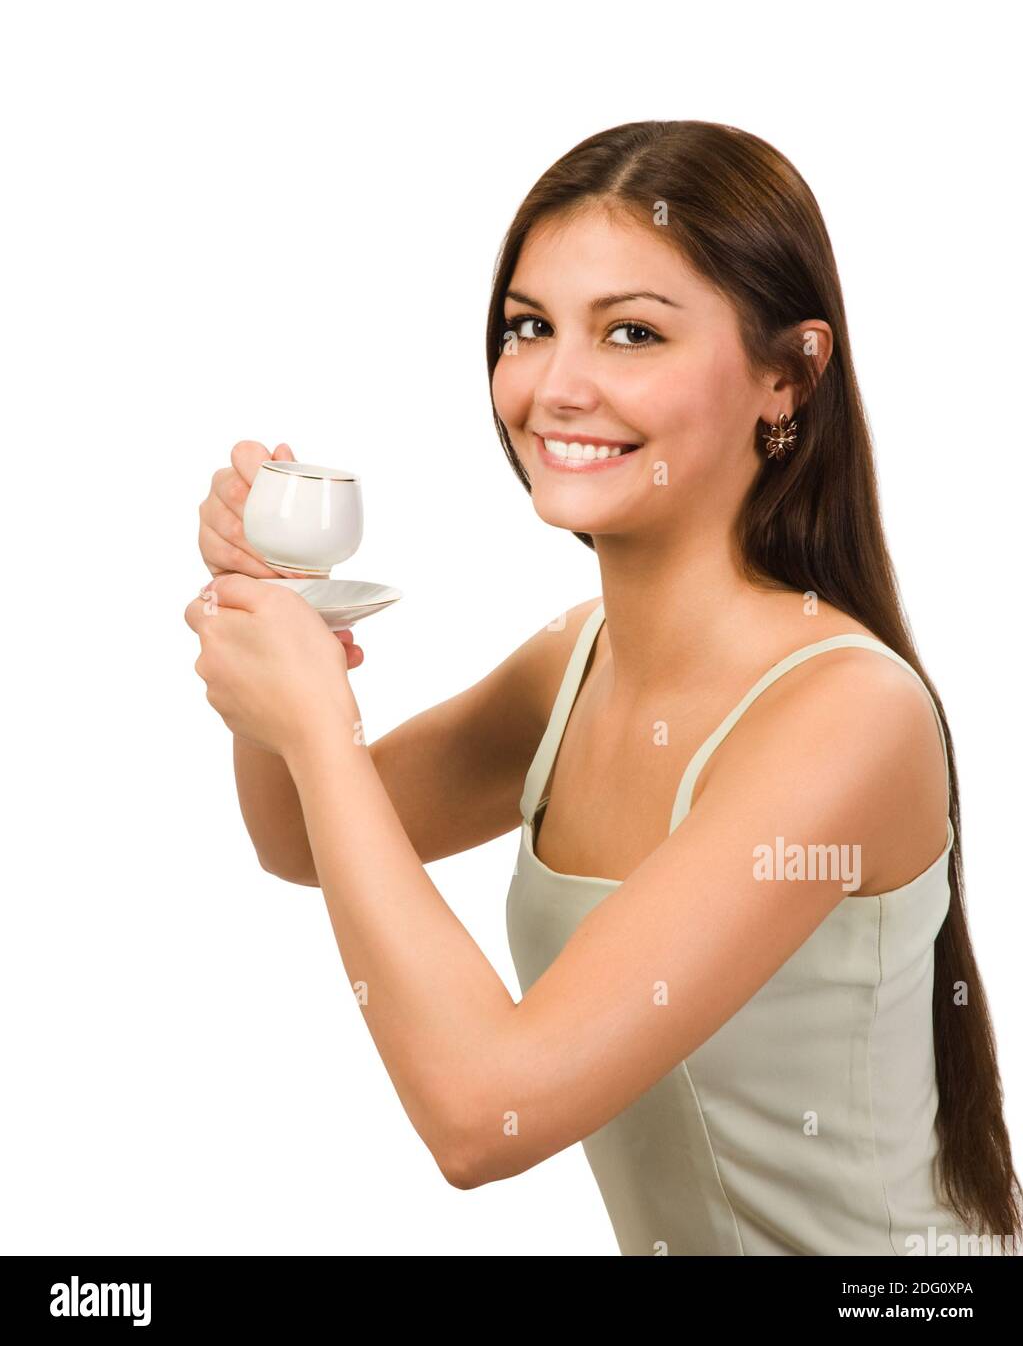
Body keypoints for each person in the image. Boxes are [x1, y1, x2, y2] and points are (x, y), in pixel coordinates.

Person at [188, 120, 1020, 1256]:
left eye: (632, 332)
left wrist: (319, 724)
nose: (555, 385)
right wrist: (270, 599)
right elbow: (299, 833)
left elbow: (484, 1116)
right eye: (529, 328)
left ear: (792, 373)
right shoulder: (573, 663)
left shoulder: (847, 719)